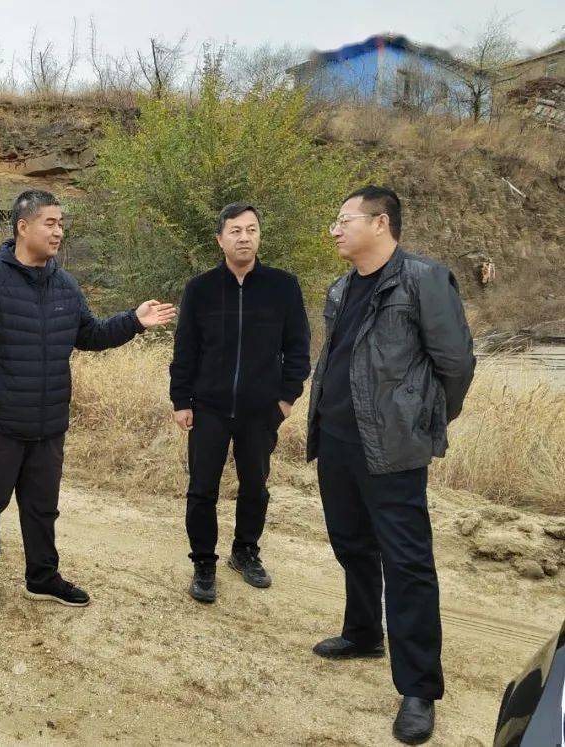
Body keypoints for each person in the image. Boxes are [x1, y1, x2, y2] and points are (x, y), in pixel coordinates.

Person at [0, 189, 176, 612]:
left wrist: (133, 321)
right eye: (50, 223)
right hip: (0, 420)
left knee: (42, 508)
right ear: (23, 226)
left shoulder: (65, 285)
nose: (58, 232)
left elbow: (90, 334)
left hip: (49, 423)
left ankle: (42, 577)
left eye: (61, 224)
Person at [305, 185, 475, 745]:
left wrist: (422, 418)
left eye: (344, 219)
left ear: (380, 223)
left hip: (392, 447)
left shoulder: (424, 280)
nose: (335, 229)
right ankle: (362, 633)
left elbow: (455, 363)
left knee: (407, 562)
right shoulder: (341, 287)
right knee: (351, 542)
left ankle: (419, 688)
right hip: (337, 439)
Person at [169, 202, 310, 603]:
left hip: (260, 411)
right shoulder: (200, 289)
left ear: (259, 236)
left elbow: (298, 348)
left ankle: (245, 552)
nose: (244, 237)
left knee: (255, 487)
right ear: (220, 240)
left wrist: (285, 399)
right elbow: (185, 349)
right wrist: (181, 400)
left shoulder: (283, 286)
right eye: (235, 231)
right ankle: (204, 562)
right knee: (202, 489)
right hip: (208, 408)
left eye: (251, 230)